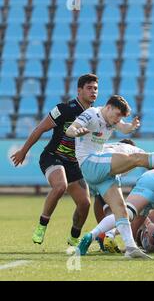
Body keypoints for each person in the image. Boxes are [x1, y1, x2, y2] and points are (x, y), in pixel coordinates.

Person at [66, 95, 154, 258]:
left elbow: (123, 128)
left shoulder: (112, 120)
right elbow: (70, 129)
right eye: (117, 114)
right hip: (90, 162)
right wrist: (76, 131)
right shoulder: (91, 114)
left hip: (99, 173)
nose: (117, 120)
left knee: (121, 211)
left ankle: (129, 248)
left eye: (120, 117)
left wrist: (130, 127)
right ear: (108, 107)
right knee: (137, 158)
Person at [10, 74, 98, 246]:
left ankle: (73, 238)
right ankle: (42, 225)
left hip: (74, 163)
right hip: (53, 157)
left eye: (95, 88)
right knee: (60, 186)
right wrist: (23, 151)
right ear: (79, 90)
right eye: (89, 88)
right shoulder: (64, 109)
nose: (93, 91)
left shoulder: (95, 115)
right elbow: (40, 128)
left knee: (85, 204)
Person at [81, 167, 154, 255]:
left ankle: (93, 234)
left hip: (146, 179)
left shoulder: (145, 210)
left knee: (125, 213)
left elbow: (132, 229)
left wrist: (130, 246)